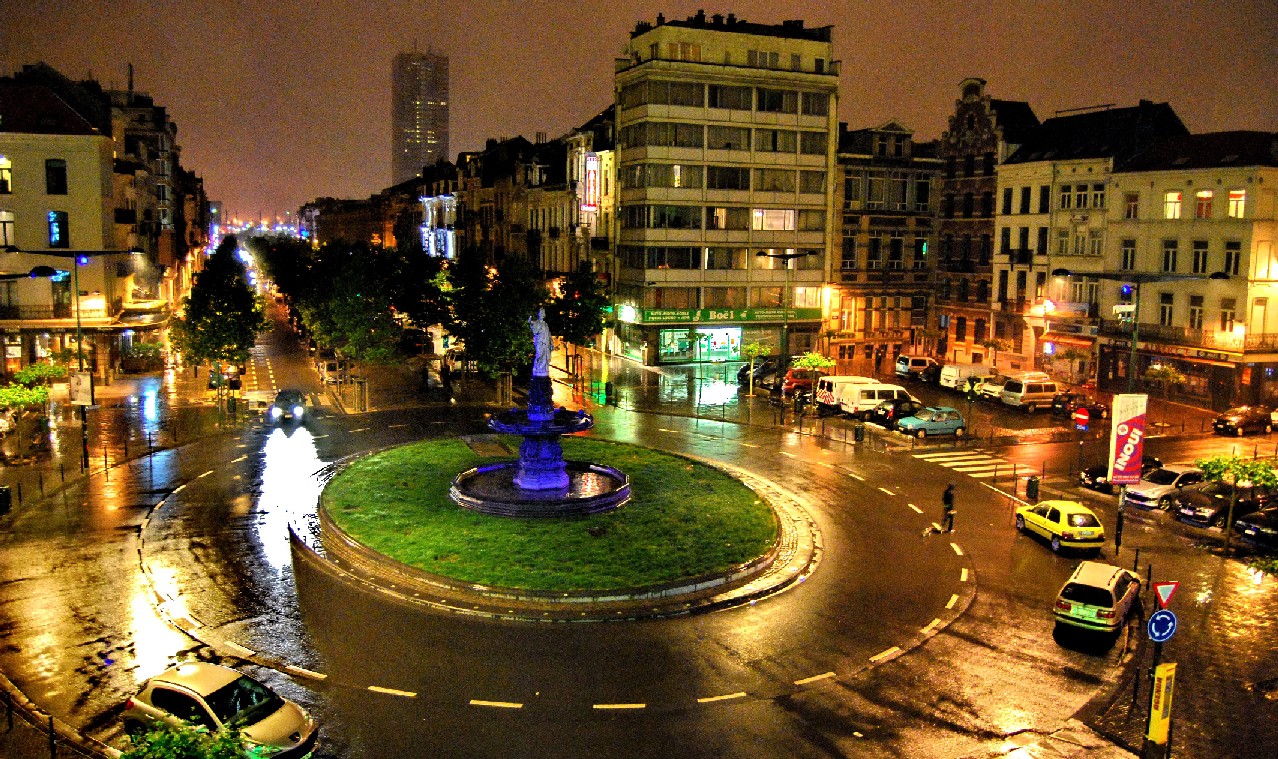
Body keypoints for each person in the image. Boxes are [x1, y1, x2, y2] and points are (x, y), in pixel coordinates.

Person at [530, 308, 552, 377]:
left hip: (546, 343)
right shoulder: (537, 322)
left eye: (543, 313)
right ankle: (537, 368)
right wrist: (531, 323)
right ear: (539, 314)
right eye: (541, 313)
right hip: (540, 342)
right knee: (539, 355)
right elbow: (535, 331)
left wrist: (551, 343)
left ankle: (543, 369)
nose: (542, 314)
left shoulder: (545, 324)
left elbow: (548, 334)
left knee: (545, 356)